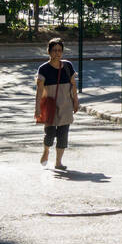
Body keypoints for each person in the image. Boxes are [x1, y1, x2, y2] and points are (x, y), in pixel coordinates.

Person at [34, 38, 79, 171]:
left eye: (60, 50)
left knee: (63, 134)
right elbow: (39, 90)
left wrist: (76, 101)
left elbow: (73, 85)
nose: (57, 53)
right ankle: (46, 150)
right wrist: (37, 108)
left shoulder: (67, 66)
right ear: (49, 51)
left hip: (65, 105)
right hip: (50, 105)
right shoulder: (44, 68)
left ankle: (58, 162)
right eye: (54, 50)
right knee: (50, 133)